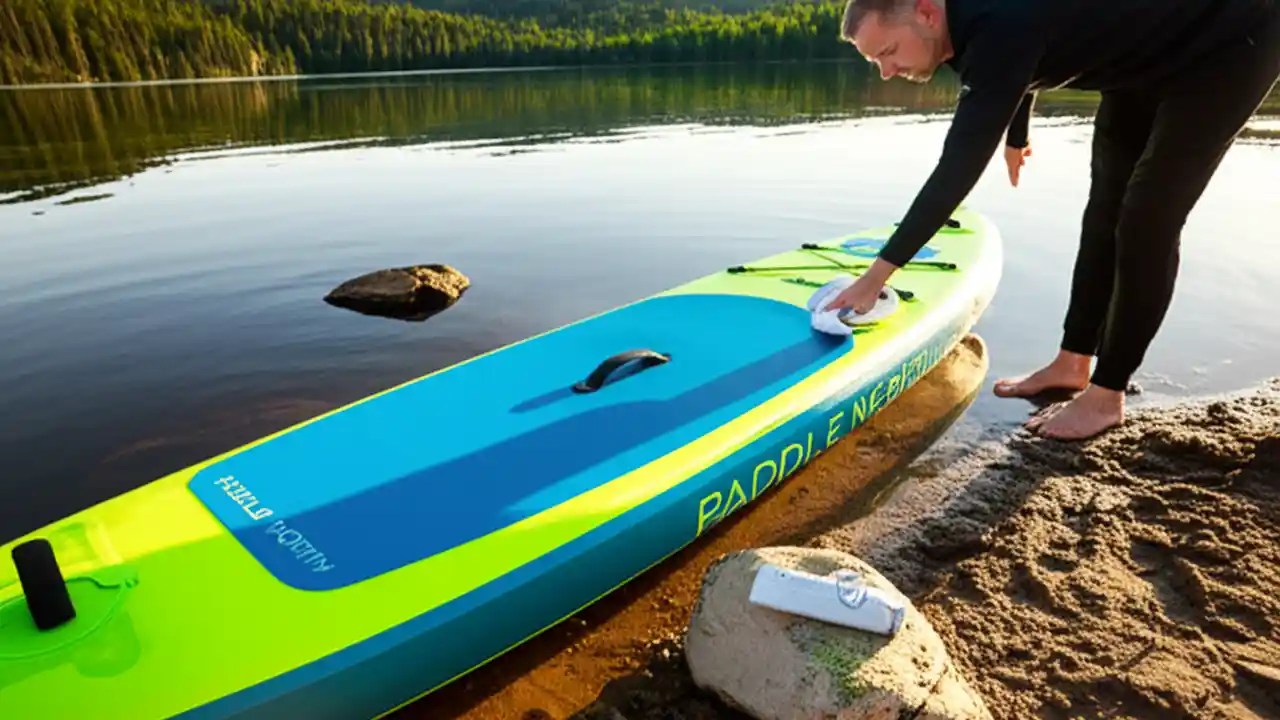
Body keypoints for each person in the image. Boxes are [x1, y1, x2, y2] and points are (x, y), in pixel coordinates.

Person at [824, 0, 1280, 440]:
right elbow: (1027, 49)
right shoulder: (965, 25)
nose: (887, 70)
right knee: (1104, 208)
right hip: (1140, 60)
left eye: (887, 53)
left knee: (1147, 218)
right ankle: (1072, 362)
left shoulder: (995, 21)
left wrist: (877, 275)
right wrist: (1017, 133)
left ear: (925, 11)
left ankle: (1106, 396)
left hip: (1231, 40)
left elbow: (957, 167)